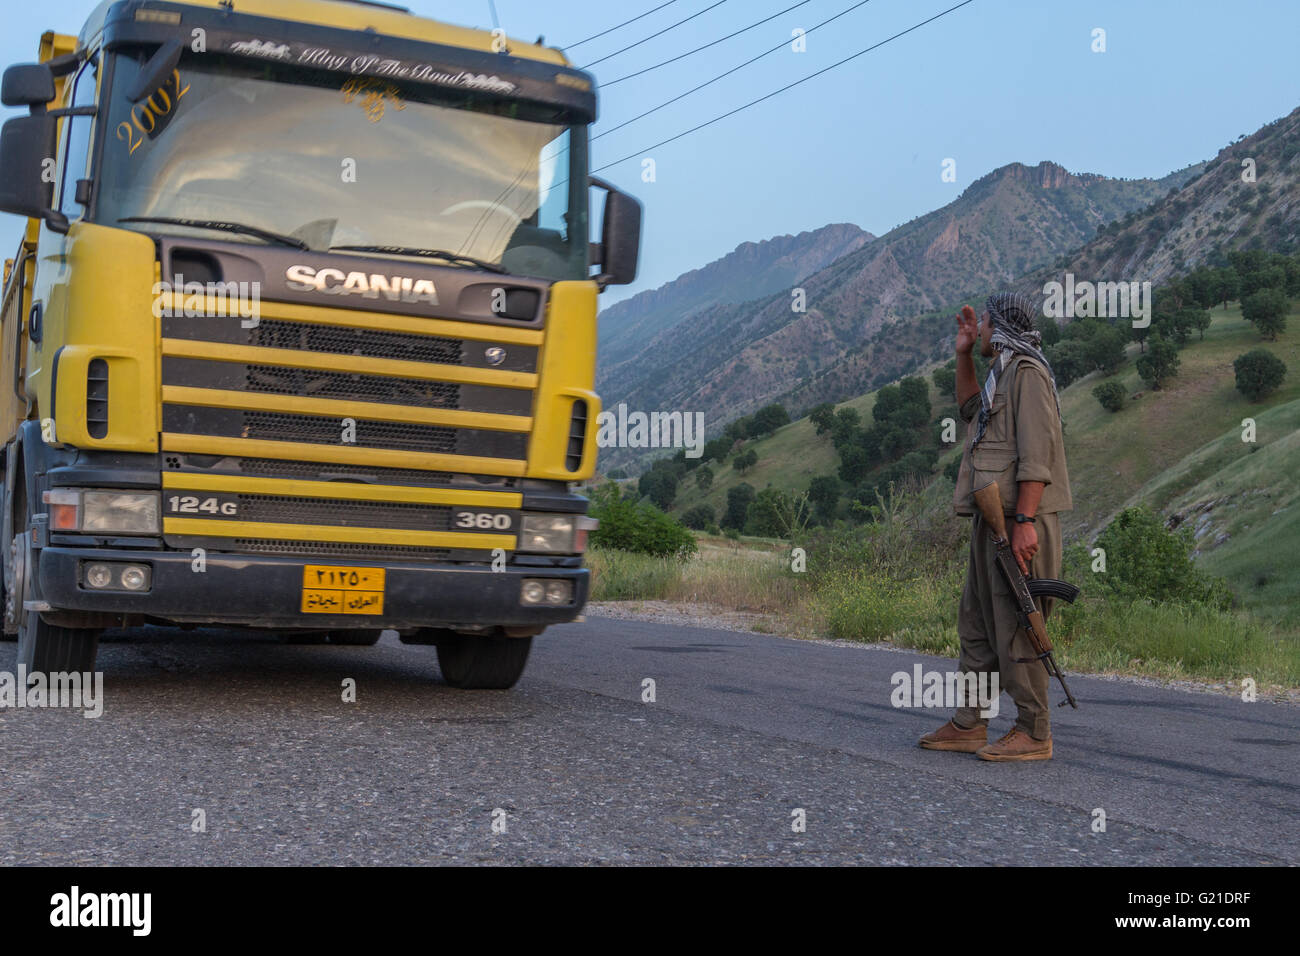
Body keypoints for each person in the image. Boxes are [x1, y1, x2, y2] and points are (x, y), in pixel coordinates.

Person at [919, 292, 1071, 761]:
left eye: (982, 323)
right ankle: (970, 722)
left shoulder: (1028, 375)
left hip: (1020, 521)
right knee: (979, 623)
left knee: (1017, 623)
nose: (978, 328)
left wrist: (1024, 521)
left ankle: (1034, 730)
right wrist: (963, 352)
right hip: (992, 520)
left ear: (1001, 325)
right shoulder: (1000, 373)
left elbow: (1036, 457)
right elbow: (969, 410)